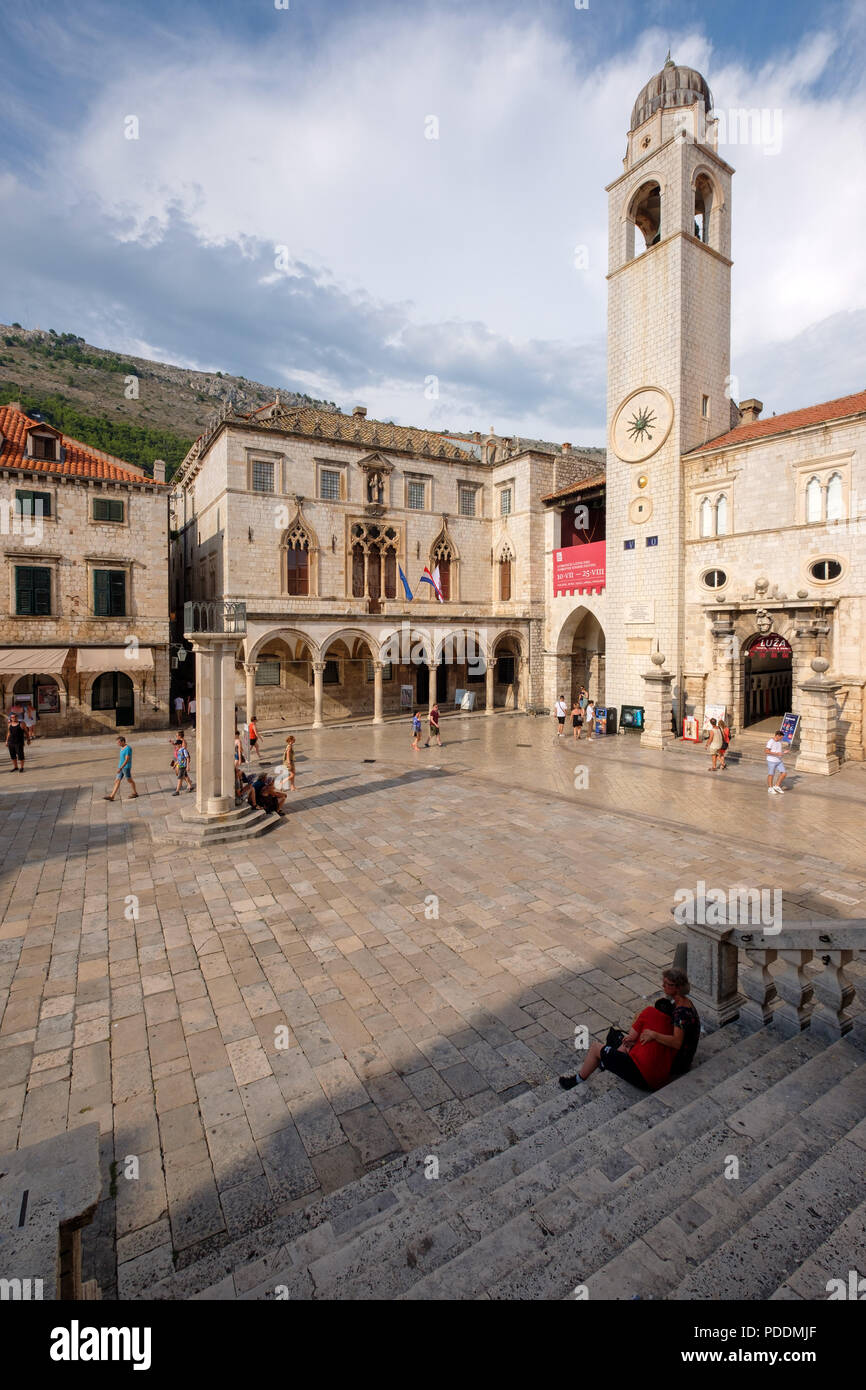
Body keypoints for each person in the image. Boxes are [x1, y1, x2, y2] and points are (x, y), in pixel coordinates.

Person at [559, 967, 700, 1091]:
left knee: (601, 1045)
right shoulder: (685, 1003)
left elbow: (676, 1042)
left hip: (675, 1064)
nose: (663, 986)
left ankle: (579, 1078)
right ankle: (604, 1061)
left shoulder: (680, 1013)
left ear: (677, 987)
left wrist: (654, 1035)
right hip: (671, 1062)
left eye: (667, 984)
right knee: (627, 1043)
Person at [104, 736, 138, 801]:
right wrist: (119, 767)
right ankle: (112, 796)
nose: (117, 744)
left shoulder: (128, 749)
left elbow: (127, 759)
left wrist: (121, 768)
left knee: (129, 781)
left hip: (126, 768)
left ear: (123, 742)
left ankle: (135, 793)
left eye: (119, 742)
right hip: (121, 767)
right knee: (117, 780)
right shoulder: (121, 748)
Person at [766, 729, 787, 794]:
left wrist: (783, 752)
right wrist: (777, 754)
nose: (781, 739)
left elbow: (778, 751)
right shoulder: (770, 741)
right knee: (771, 774)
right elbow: (766, 751)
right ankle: (770, 788)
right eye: (781, 737)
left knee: (784, 773)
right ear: (777, 736)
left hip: (779, 760)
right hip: (771, 760)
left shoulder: (779, 742)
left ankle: (777, 786)